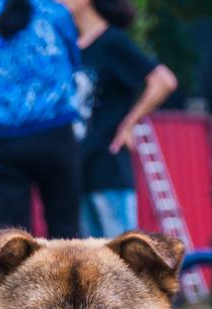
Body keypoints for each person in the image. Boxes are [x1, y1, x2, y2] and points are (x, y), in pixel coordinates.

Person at [0, 0, 84, 239]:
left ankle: (19, 277)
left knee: (12, 235)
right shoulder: (54, 13)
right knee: (65, 229)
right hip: (54, 133)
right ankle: (68, 276)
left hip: (0, 140)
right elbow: (74, 61)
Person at [61, 0, 177, 237]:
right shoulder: (71, 49)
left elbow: (163, 81)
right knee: (87, 264)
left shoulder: (112, 42)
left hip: (108, 167)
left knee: (119, 260)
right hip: (77, 170)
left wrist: (129, 123)